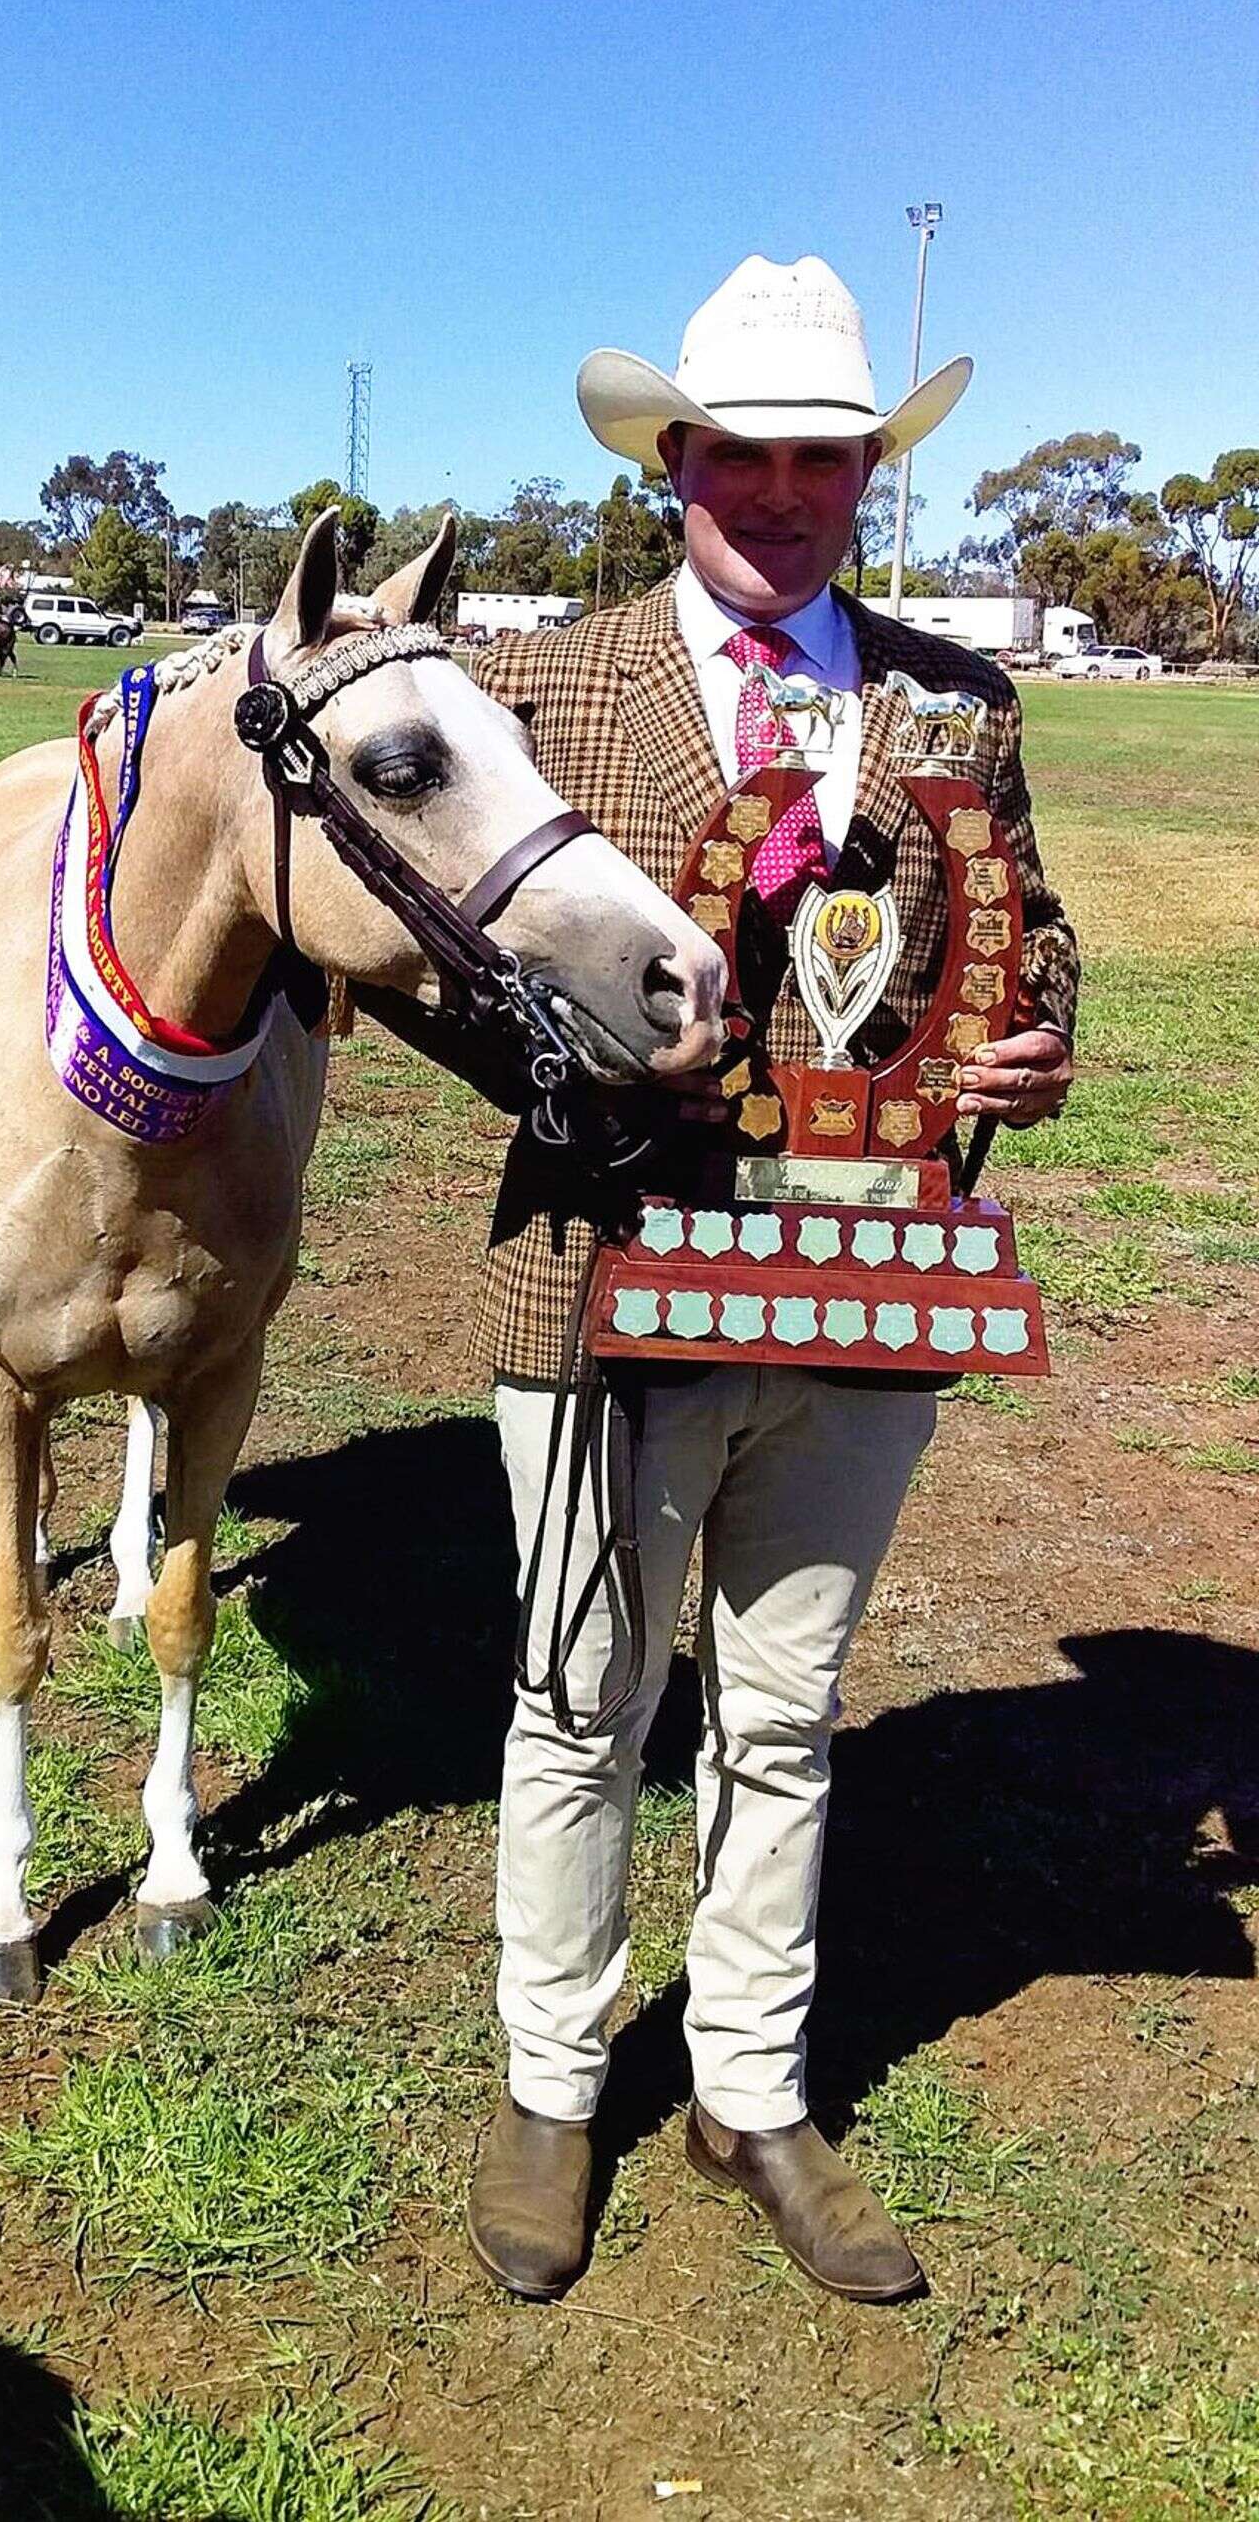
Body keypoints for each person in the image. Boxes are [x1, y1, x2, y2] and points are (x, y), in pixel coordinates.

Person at [462, 256, 1079, 2307]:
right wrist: (589, 1058)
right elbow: (443, 974)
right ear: (673, 464)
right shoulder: (541, 688)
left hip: (859, 1288)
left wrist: (1030, 1040)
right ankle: (554, 2088)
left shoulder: (951, 708)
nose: (787, 491)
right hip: (605, 1279)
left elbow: (1034, 941)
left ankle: (744, 2089)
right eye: (745, 454)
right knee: (578, 1705)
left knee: (788, 1713)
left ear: (863, 478)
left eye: (827, 459)